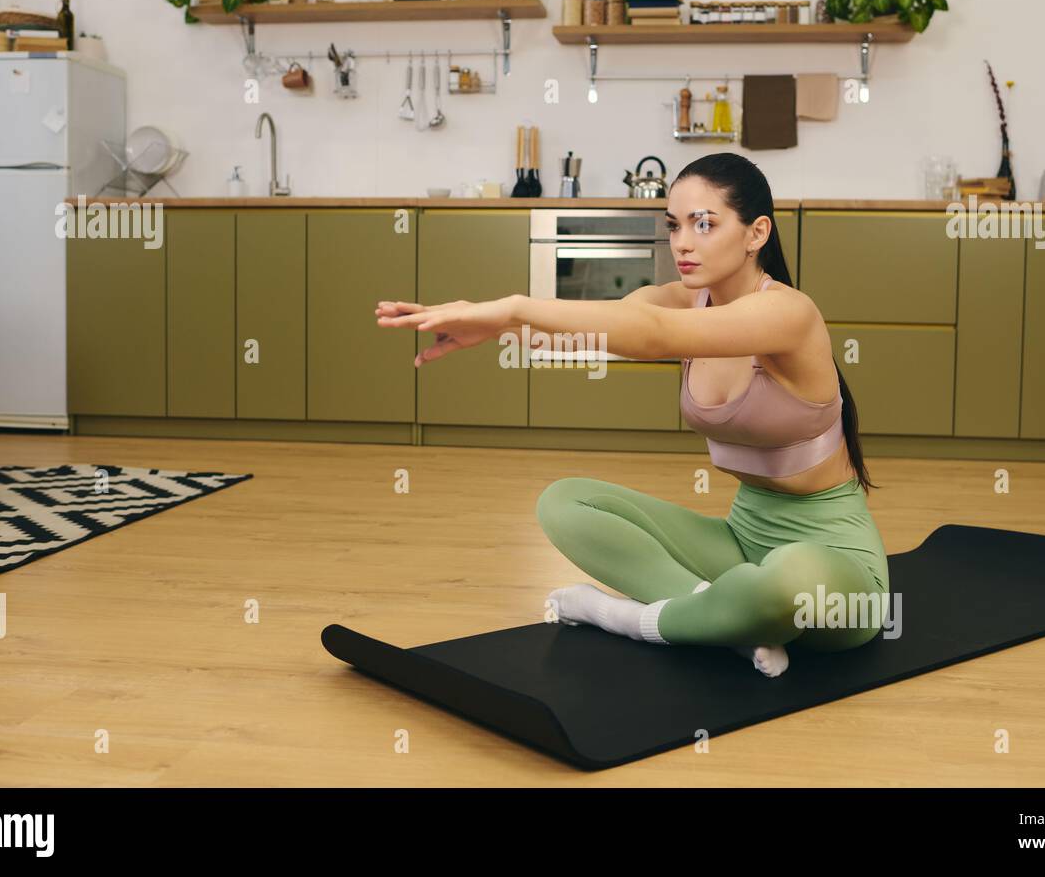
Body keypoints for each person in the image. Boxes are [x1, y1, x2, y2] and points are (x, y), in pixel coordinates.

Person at [375, 153, 888, 677]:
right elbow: (604, 328)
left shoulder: (789, 313)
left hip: (833, 563)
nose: (683, 243)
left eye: (704, 224)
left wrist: (512, 307)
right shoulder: (685, 301)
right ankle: (720, 615)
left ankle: (624, 617)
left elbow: (654, 336)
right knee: (565, 503)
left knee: (784, 584)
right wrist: (494, 330)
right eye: (675, 226)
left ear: (757, 233)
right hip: (739, 542)